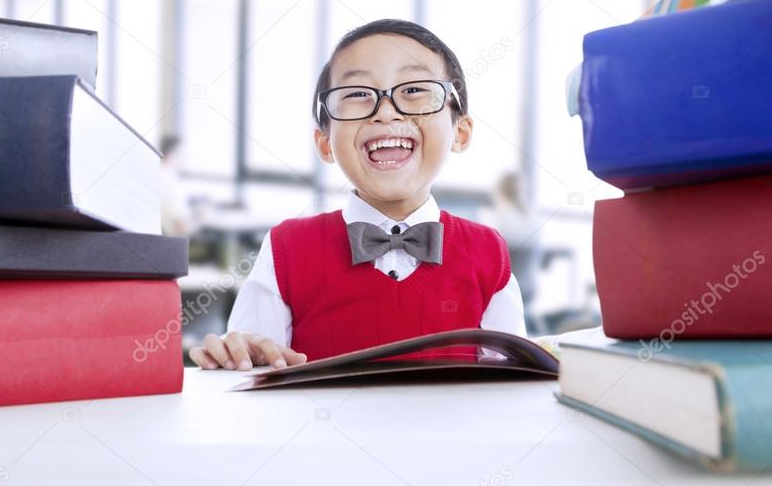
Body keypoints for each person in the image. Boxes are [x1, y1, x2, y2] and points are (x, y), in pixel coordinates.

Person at [189, 19, 527, 371]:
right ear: (324, 142)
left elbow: (514, 385)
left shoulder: (489, 253)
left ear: (460, 132)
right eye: (357, 94)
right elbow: (252, 368)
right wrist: (239, 354)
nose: (386, 111)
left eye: (413, 90)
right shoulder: (286, 248)